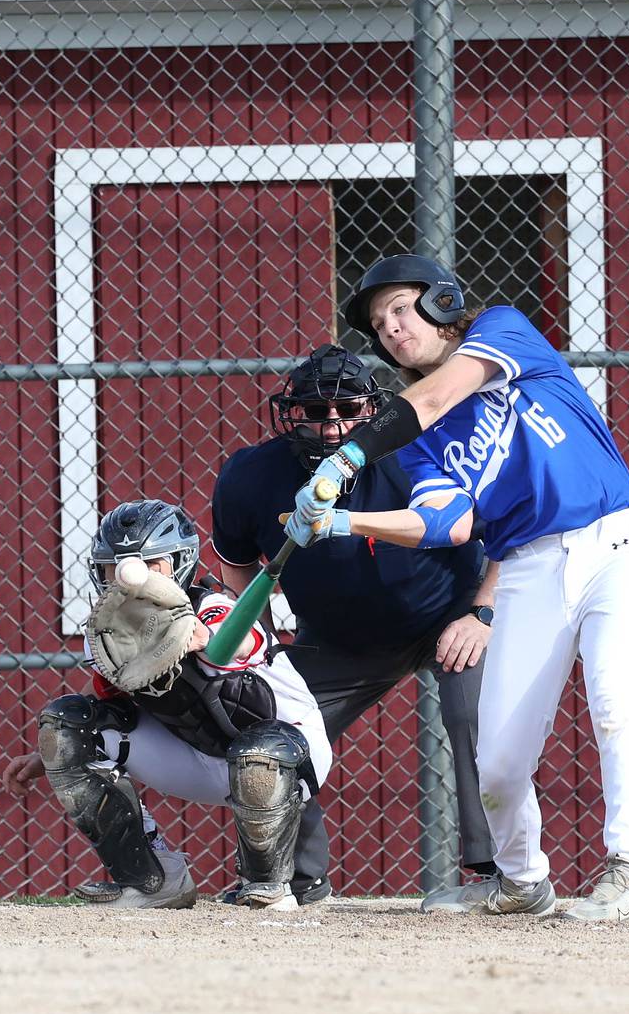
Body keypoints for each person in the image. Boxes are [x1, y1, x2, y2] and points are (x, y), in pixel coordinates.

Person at [284, 254, 629, 922]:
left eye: (402, 307)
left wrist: (346, 458)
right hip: (525, 569)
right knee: (498, 762)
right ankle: (522, 881)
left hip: (614, 543)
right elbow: (446, 522)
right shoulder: (422, 444)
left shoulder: (502, 330)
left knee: (616, 702)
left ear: (443, 300)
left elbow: (428, 398)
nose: (393, 328)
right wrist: (344, 519)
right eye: (380, 323)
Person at [211, 344, 499, 904]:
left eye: (347, 408)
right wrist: (262, 650)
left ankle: (503, 874)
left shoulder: (416, 448)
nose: (333, 423)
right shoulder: (252, 475)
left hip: (447, 613)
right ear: (291, 413)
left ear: (374, 410)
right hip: (340, 637)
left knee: (473, 711)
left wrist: (483, 612)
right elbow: (241, 567)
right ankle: (293, 877)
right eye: (317, 411)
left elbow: (505, 530)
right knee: (266, 720)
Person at [0, 499, 333, 911]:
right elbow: (115, 706)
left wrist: (206, 638)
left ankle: (269, 886)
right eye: (113, 568)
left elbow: (243, 639)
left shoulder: (214, 607)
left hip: (288, 755)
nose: (128, 580)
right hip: (196, 752)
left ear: (180, 563)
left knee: (260, 751)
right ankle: (154, 880)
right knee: (67, 726)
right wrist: (53, 756)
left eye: (150, 566)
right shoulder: (108, 636)